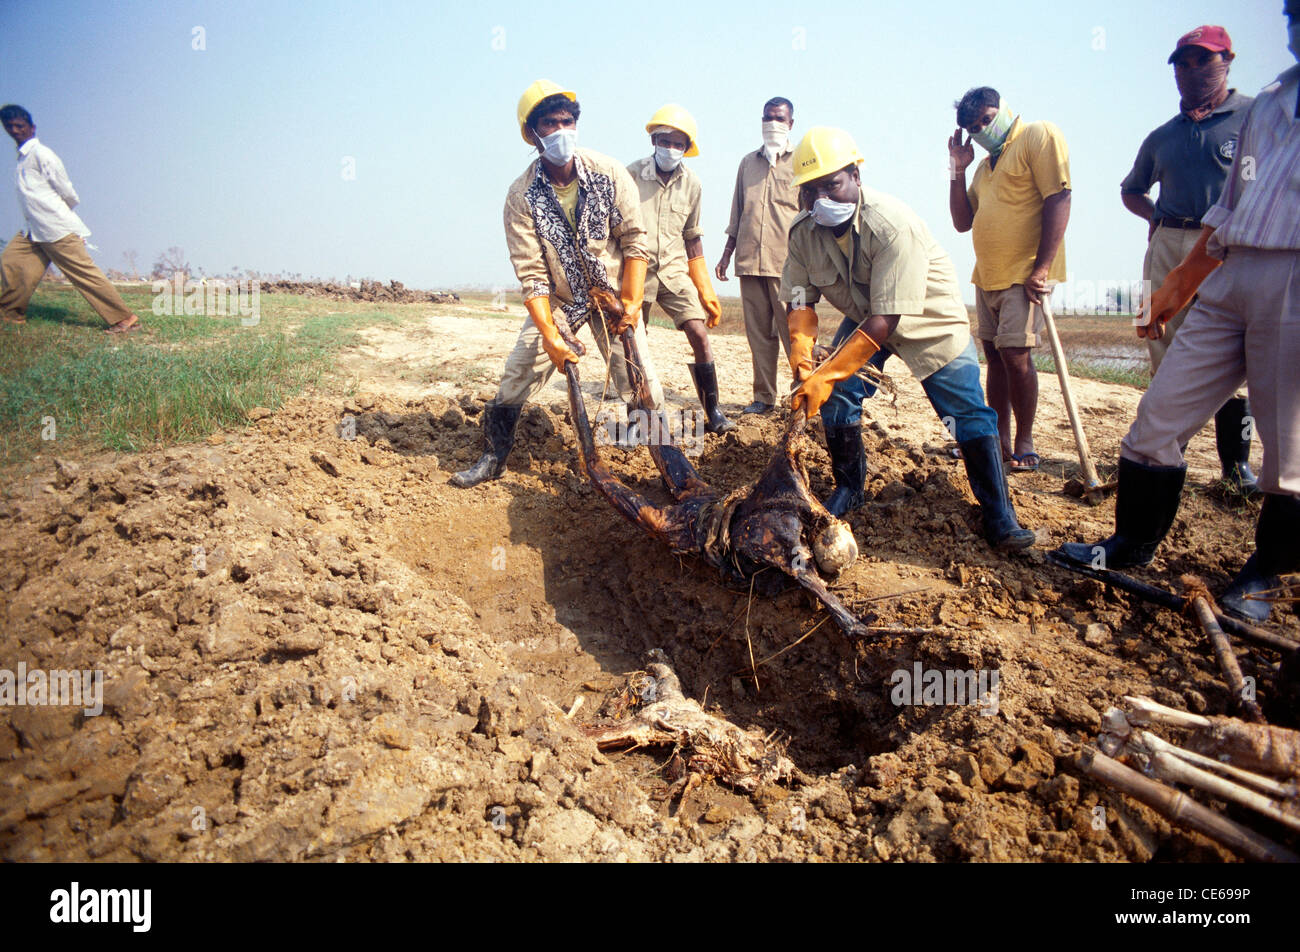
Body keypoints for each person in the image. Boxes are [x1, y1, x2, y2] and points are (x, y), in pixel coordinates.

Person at [1056, 3, 1300, 624]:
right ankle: (1130, 544)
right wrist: (1181, 280)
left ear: (1226, 62)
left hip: (1294, 271)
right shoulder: (1273, 104)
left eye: (1204, 59)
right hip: (1226, 263)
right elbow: (1230, 205)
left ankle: (1267, 575)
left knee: (1289, 442)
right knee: (1160, 411)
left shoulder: (1246, 106)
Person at [781, 127, 1035, 552]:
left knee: (964, 412)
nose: (822, 199)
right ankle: (850, 487)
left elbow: (887, 320)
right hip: (867, 318)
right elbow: (799, 301)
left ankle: (1000, 515)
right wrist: (804, 360)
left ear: (856, 177)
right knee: (840, 394)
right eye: (811, 191)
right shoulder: (803, 232)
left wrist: (827, 374)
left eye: (833, 185)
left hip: (924, 318)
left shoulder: (891, 224)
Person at [451, 80, 664, 488]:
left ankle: (665, 462)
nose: (561, 131)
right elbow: (532, 275)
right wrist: (550, 334)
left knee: (640, 378)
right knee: (518, 372)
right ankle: (494, 458)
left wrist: (632, 303)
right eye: (550, 123)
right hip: (560, 299)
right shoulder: (521, 196)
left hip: (611, 296)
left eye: (568, 121)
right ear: (532, 134)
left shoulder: (609, 173)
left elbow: (636, 241)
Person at [1121, 25, 1258, 496]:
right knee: (1154, 330)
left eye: (1203, 60)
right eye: (1182, 62)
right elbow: (1131, 189)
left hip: (1225, 246)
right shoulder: (1163, 136)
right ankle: (1161, 452)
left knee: (1228, 344)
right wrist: (1154, 216)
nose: (1191, 70)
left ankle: (1236, 467)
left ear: (1227, 61)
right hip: (1166, 242)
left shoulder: (1254, 118)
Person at [948, 89, 1071, 472]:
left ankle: (1025, 440)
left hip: (1024, 273)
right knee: (995, 359)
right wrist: (958, 168)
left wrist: (1042, 267)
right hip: (988, 275)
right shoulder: (985, 167)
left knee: (1017, 356)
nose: (982, 129)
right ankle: (998, 440)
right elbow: (962, 221)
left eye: (987, 119)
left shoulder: (1038, 135)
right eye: (973, 127)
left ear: (1002, 109)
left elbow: (1059, 197)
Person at [628, 105, 735, 435]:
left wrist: (704, 287)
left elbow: (692, 237)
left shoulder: (693, 184)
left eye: (679, 144)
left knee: (700, 334)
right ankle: (637, 419)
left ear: (687, 148)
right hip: (637, 270)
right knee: (633, 342)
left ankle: (713, 411)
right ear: (653, 140)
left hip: (674, 270)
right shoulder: (630, 175)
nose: (671, 149)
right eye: (665, 141)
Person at [0, 105, 142, 332]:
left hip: (55, 228)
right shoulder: (22, 158)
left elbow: (66, 191)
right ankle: (10, 315)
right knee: (11, 260)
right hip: (33, 229)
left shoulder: (41, 155)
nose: (15, 130)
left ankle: (124, 318)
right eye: (9, 126)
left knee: (83, 274)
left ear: (31, 128)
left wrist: (63, 216)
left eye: (20, 126)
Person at [715, 97, 800, 414]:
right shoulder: (747, 163)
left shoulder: (801, 162)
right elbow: (737, 212)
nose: (773, 124)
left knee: (795, 334)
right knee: (760, 336)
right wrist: (726, 254)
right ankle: (764, 398)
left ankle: (803, 393)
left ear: (791, 123)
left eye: (779, 118)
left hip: (788, 266)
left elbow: (809, 215)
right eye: (767, 118)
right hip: (750, 261)